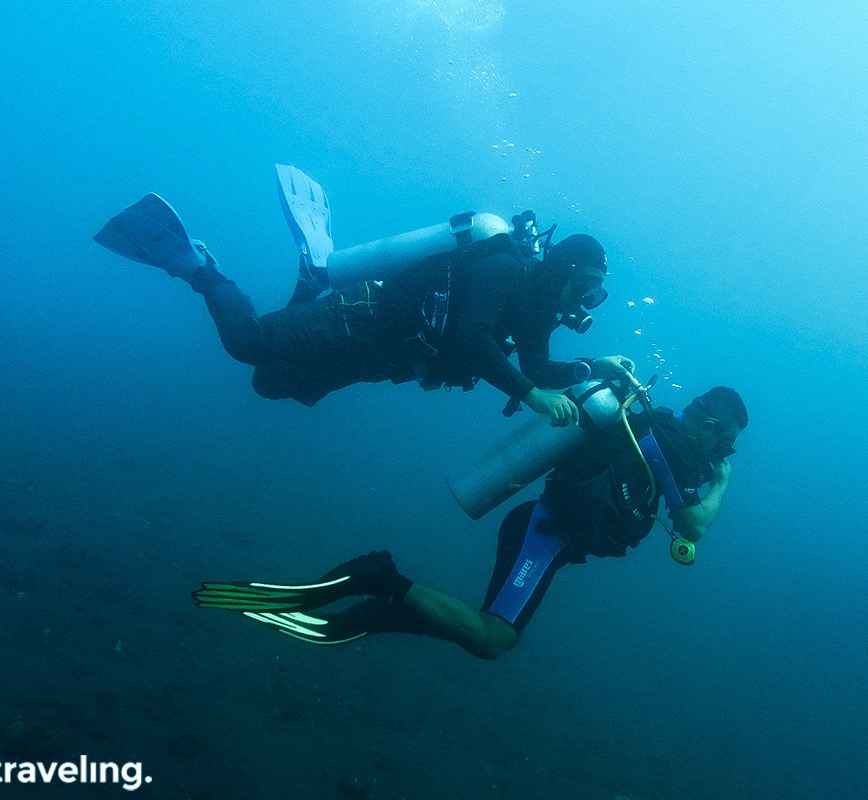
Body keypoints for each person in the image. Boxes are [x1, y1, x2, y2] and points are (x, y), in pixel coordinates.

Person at [193, 384, 748, 659]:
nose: (719, 445)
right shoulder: (661, 443)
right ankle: (382, 578)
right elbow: (693, 526)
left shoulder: (657, 436)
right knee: (493, 639)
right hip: (543, 533)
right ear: (712, 428)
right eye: (721, 434)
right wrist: (722, 484)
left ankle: (375, 613)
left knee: (484, 629)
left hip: (548, 534)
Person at [94, 184, 634, 425]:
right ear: (563, 268)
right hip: (364, 317)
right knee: (247, 344)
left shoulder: (537, 309)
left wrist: (592, 367)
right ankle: (198, 268)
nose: (589, 300)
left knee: (273, 384)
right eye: (588, 286)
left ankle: (310, 280)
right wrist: (533, 397)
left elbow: (537, 368)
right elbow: (473, 338)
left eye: (598, 294)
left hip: (387, 359)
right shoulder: (505, 267)